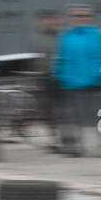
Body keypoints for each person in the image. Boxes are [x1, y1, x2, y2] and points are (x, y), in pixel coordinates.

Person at [54, 4, 101, 156]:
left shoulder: (98, 34)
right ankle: (78, 147)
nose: (81, 19)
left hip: (95, 81)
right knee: (76, 117)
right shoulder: (66, 36)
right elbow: (62, 59)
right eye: (77, 16)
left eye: (85, 16)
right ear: (71, 18)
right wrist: (60, 76)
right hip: (73, 83)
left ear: (90, 18)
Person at [35, 9, 62, 148]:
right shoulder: (38, 39)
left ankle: (63, 138)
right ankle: (54, 139)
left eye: (51, 19)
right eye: (45, 19)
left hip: (60, 77)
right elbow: (35, 60)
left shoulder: (62, 37)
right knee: (48, 111)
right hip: (44, 79)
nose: (48, 22)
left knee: (61, 110)